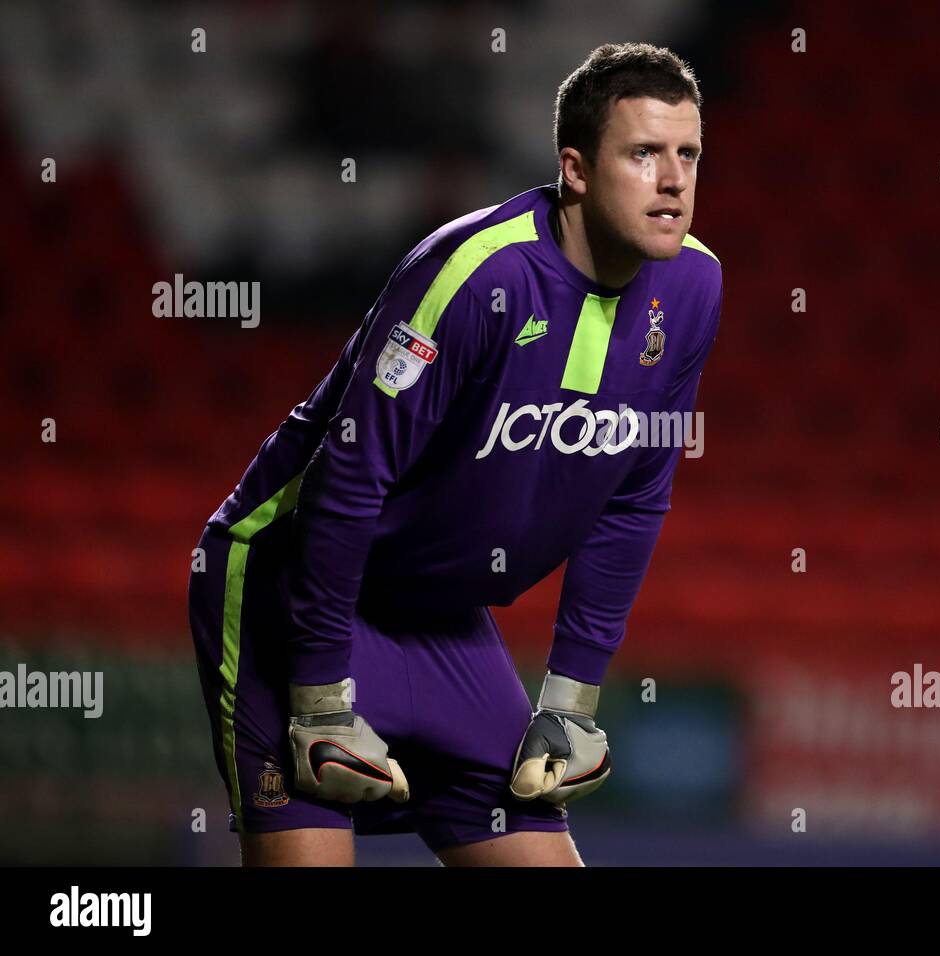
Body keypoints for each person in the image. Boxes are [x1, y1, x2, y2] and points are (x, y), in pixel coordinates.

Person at [187, 41, 721, 866]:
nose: (674, 179)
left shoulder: (693, 289)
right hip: (295, 590)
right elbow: (351, 478)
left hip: (443, 622)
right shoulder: (476, 274)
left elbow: (634, 497)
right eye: (643, 153)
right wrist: (322, 696)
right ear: (576, 169)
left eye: (687, 154)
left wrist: (571, 703)